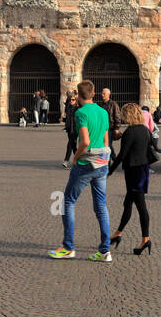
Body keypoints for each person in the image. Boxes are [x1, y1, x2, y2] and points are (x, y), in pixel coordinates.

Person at [50, 80, 111, 261]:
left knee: (68, 201)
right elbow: (106, 140)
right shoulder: (103, 112)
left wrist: (75, 158)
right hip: (102, 162)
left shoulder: (81, 113)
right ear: (93, 93)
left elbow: (84, 141)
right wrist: (104, 158)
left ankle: (68, 247)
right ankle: (105, 250)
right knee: (101, 206)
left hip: (85, 164)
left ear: (78, 95)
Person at [109, 103, 154, 255]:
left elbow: (122, 155)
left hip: (134, 172)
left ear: (128, 115)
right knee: (127, 203)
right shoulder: (145, 130)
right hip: (143, 170)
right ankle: (118, 233)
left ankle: (145, 239)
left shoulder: (130, 132)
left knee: (141, 207)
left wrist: (110, 170)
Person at [61, 92, 78, 167]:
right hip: (69, 128)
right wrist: (64, 120)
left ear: (76, 101)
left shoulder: (78, 109)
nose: (71, 101)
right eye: (70, 100)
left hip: (75, 129)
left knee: (70, 144)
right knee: (73, 145)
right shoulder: (67, 107)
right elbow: (68, 118)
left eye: (73, 100)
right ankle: (79, 159)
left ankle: (66, 160)